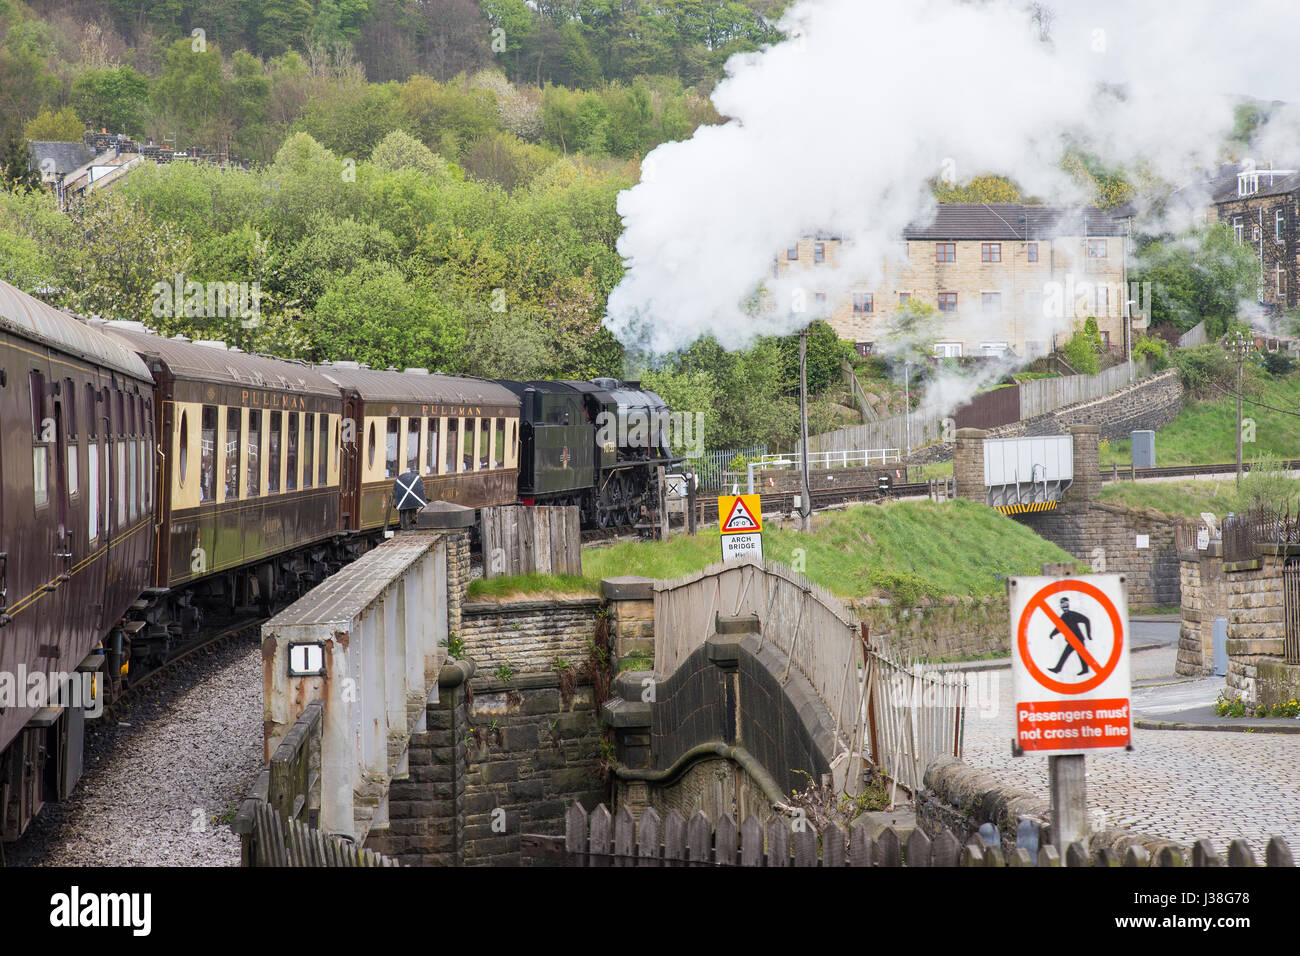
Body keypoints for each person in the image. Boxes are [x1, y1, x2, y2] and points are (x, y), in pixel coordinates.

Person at [1047, 596, 1093, 676]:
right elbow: (1059, 628)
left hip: (1078, 639)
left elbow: (1086, 620)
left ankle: (1058, 669)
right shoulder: (1063, 616)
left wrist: (1088, 634)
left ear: (1068, 604)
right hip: (1071, 640)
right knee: (1075, 654)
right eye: (1062, 604)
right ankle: (1058, 669)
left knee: (1079, 655)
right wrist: (1052, 634)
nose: (1064, 606)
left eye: (1065, 604)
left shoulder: (1073, 614)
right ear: (1061, 605)